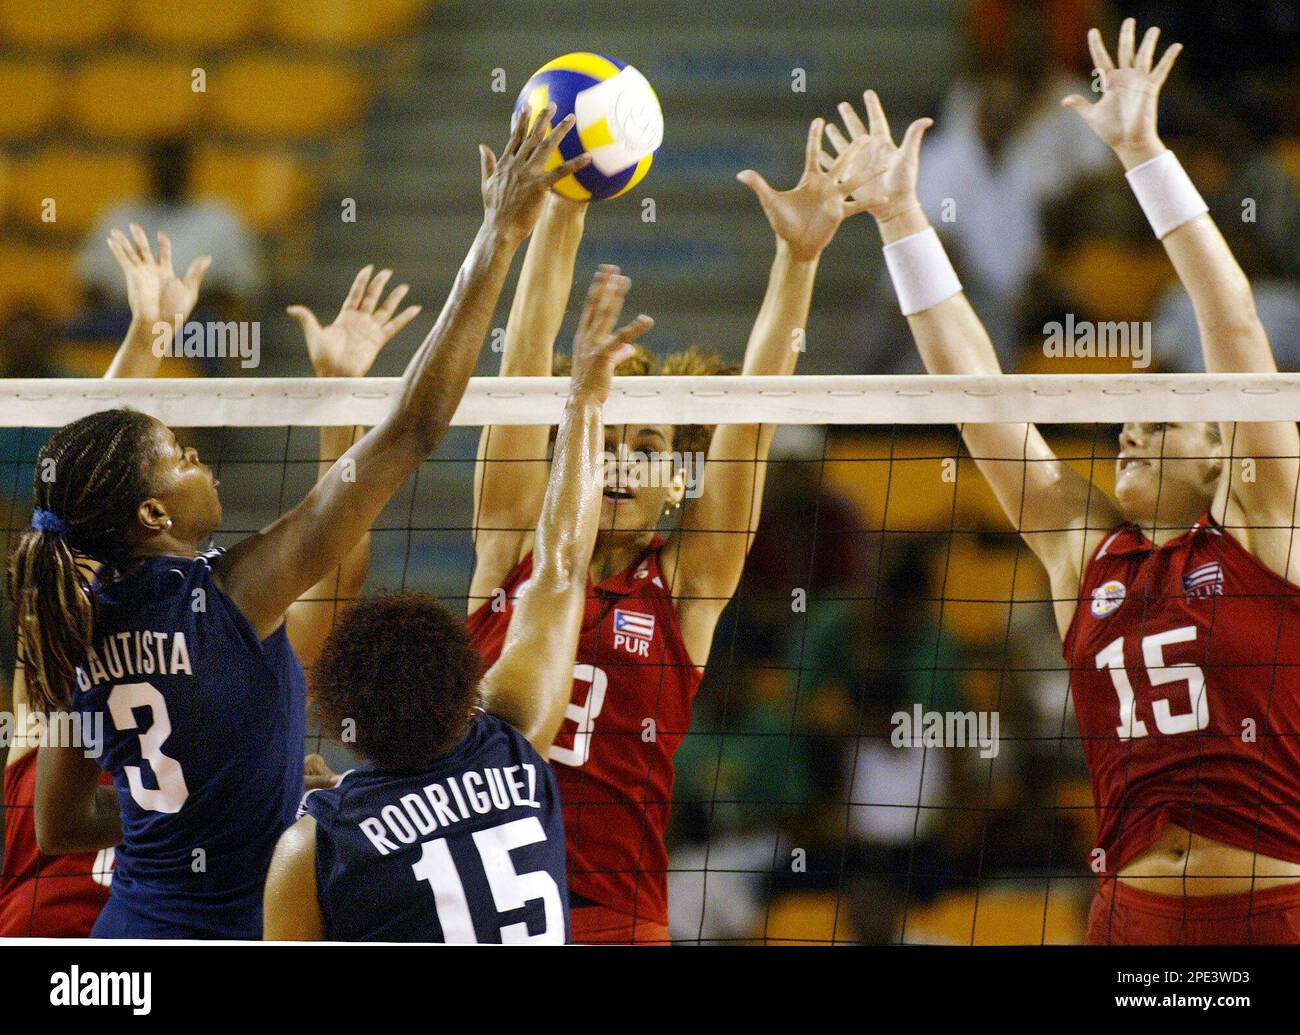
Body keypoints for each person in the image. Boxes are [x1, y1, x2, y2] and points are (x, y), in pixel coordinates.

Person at [13, 108, 587, 939]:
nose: (201, 459)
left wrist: (168, 824)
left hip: (128, 937)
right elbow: (412, 433)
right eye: (180, 455)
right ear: (151, 512)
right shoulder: (231, 595)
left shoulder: (73, 620)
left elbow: (57, 828)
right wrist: (497, 235)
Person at [827, 19, 1300, 944]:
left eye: (1162, 419)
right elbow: (976, 395)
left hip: (1268, 912)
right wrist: (900, 220)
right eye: (1132, 415)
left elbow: (1234, 328)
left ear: (1222, 456)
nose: (1131, 426)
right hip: (1131, 916)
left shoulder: (1265, 525)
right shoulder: (1085, 549)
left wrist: (1145, 155)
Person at [466, 119, 880, 942]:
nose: (618, 462)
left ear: (677, 481)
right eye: (605, 440)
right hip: (478, 903)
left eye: (645, 448)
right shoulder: (513, 544)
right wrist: (563, 207)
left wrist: (797, 261)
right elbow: (523, 369)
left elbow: (753, 418)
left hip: (614, 914)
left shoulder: (684, 588)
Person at [0, 228, 396, 936]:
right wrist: (341, 396)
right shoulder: (73, 634)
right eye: (177, 456)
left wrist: (149, 338)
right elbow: (334, 562)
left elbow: (87, 479)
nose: (194, 457)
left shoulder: (66, 644)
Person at [263, 267, 649, 942]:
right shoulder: (515, 741)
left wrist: (344, 801)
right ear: (469, 683)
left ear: (343, 721)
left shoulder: (314, 846)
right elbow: (560, 565)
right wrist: (587, 396)